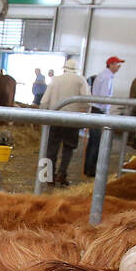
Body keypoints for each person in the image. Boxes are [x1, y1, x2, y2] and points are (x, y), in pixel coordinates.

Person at [40, 57, 90, 188]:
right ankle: (62, 173)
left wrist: (42, 116)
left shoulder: (55, 80)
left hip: (55, 117)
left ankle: (48, 177)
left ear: (64, 68)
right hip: (72, 119)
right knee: (68, 147)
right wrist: (86, 116)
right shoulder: (80, 80)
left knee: (52, 147)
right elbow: (87, 101)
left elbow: (44, 100)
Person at [84, 55, 123, 176]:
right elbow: (104, 97)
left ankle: (89, 167)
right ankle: (91, 169)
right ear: (111, 64)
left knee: (94, 141)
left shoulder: (104, 75)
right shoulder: (106, 77)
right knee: (96, 141)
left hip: (97, 109)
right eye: (117, 64)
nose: (119, 66)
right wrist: (106, 111)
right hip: (99, 110)